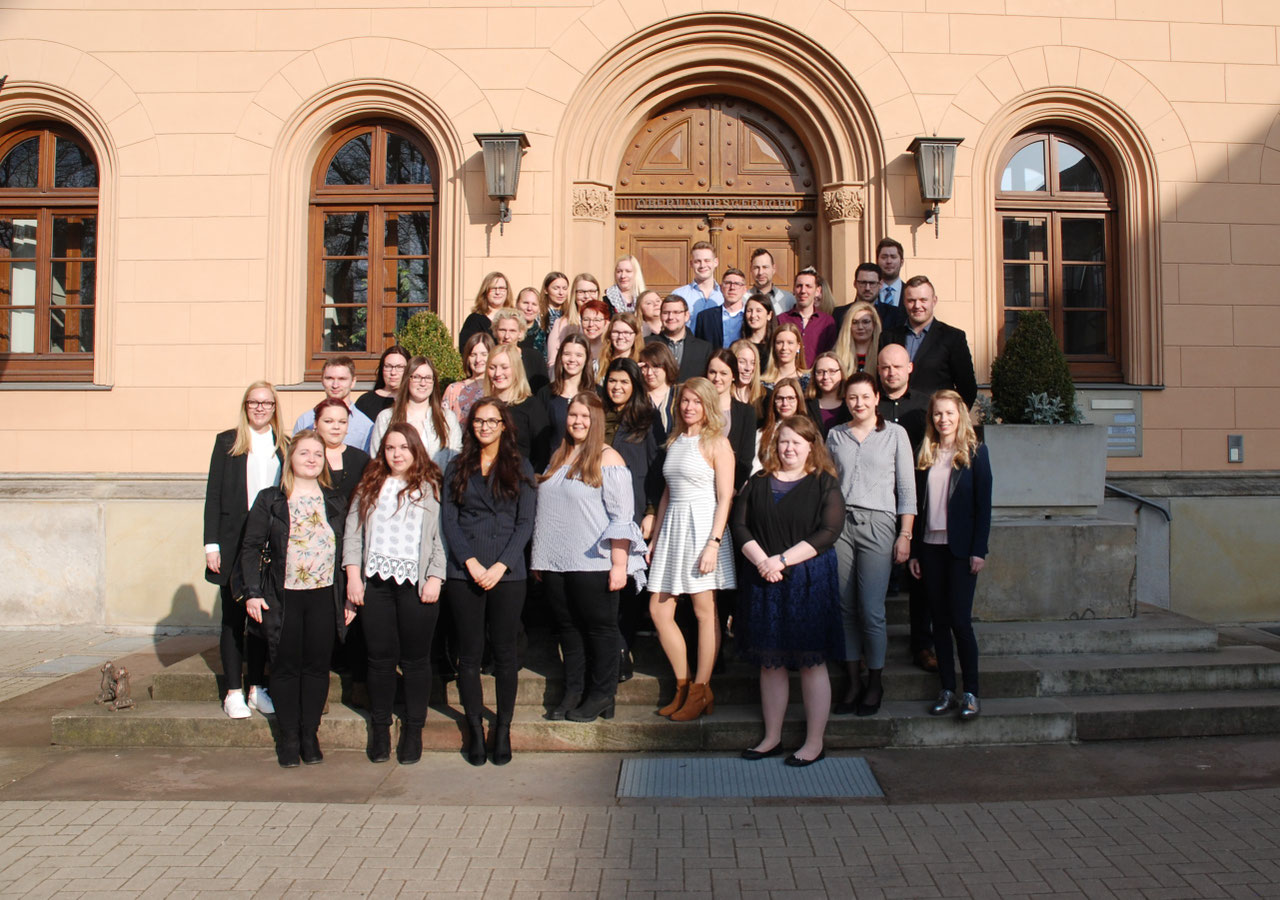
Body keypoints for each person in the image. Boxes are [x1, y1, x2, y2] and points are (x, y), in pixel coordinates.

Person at [733, 416, 844, 766]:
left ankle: (814, 743)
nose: (789, 448)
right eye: (783, 441)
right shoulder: (758, 481)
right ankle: (772, 737)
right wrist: (763, 561)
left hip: (808, 581)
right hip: (764, 580)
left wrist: (780, 560)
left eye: (797, 442)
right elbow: (739, 525)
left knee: (811, 663)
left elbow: (829, 531)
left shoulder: (825, 483)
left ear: (811, 445)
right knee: (771, 662)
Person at [534, 392, 648, 722]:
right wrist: (541, 560)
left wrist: (619, 564)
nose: (578, 422)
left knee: (600, 630)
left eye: (585, 416)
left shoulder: (608, 459)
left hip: (593, 562)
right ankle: (573, 691)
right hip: (556, 561)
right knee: (568, 631)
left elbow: (621, 518)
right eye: (573, 415)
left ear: (596, 421)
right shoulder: (559, 455)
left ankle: (601, 694)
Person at [238, 429, 348, 768]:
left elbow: (348, 551)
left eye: (318, 453)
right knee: (285, 667)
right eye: (304, 453)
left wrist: (348, 599)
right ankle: (287, 736)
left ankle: (309, 734)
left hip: (322, 596)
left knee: (316, 668)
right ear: (291, 458)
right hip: (281, 596)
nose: (312, 459)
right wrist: (252, 593)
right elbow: (250, 547)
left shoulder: (335, 500)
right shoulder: (270, 499)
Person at [343, 424, 446, 765]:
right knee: (380, 661)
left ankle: (414, 729)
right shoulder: (370, 486)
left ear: (416, 450)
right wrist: (353, 578)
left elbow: (442, 537)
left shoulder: (431, 487)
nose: (397, 453)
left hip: (416, 585)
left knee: (416, 661)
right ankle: (381, 727)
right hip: (375, 585)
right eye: (390, 448)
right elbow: (352, 535)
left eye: (404, 447)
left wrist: (435, 576)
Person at [443, 399, 537, 766]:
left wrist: (500, 566)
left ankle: (503, 730)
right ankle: (473, 729)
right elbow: (449, 520)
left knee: (505, 653)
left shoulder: (519, 466)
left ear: (503, 426)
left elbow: (525, 522)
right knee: (468, 655)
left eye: (491, 421)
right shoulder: (456, 466)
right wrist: (469, 561)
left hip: (507, 572)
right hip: (464, 570)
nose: (484, 427)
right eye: (478, 421)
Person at [827, 372, 916, 717]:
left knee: (871, 608)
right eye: (852, 398)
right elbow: (828, 484)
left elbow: (907, 489)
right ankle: (852, 680)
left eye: (865, 397)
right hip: (842, 526)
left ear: (877, 398)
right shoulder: (835, 435)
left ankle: (875, 681)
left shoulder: (895, 434)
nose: (859, 403)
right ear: (845, 401)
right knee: (845, 607)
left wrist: (904, 535)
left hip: (879, 524)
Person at [647, 377, 736, 723]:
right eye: (684, 400)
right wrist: (655, 539)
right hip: (673, 530)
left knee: (704, 612)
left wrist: (713, 543)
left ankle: (700, 689)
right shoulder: (675, 440)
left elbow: (725, 495)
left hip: (703, 530)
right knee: (659, 609)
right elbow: (668, 492)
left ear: (708, 405)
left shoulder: (717, 442)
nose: (688, 407)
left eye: (696, 401)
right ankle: (684, 685)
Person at [909, 390, 992, 720]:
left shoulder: (974, 452)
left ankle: (970, 691)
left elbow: (983, 506)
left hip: (961, 552)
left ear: (960, 416)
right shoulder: (926, 453)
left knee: (960, 621)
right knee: (938, 623)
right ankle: (947, 688)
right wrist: (914, 551)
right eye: (937, 414)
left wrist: (978, 549)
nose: (943, 419)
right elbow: (916, 506)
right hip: (930, 548)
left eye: (949, 413)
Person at [203, 382, 284, 720]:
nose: (260, 408)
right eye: (254, 402)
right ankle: (233, 692)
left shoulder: (285, 445)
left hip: (268, 543)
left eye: (266, 403)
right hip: (234, 541)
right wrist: (212, 544)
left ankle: (256, 687)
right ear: (246, 406)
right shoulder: (227, 442)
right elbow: (214, 495)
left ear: (274, 408)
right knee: (233, 619)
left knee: (262, 619)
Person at [601, 358, 663, 681]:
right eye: (612, 381)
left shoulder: (647, 419)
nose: (617, 387)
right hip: (597, 512)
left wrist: (652, 512)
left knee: (629, 584)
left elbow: (657, 468)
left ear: (635, 385)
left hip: (636, 511)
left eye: (624, 382)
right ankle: (613, 648)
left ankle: (622, 648)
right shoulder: (596, 415)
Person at [876, 342, 934, 674]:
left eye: (897, 366)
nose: (891, 372)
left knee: (920, 578)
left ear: (909, 367)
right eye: (885, 367)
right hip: (880, 502)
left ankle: (922, 645)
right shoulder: (870, 403)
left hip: (920, 501)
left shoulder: (926, 406)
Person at [884, 275, 978, 407]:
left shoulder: (953, 338)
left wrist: (953, 419)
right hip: (896, 418)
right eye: (911, 300)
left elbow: (967, 388)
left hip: (933, 420)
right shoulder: (888, 337)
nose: (917, 306)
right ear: (904, 302)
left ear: (934, 301)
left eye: (923, 300)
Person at [371, 355, 462, 471]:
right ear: (407, 380)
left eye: (428, 378)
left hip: (438, 487)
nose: (423, 383)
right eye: (417, 377)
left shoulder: (448, 418)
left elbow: (455, 460)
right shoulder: (386, 418)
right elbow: (377, 461)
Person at [485, 343, 551, 471]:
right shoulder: (484, 407)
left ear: (516, 369)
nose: (498, 373)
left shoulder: (532, 406)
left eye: (504, 367)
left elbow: (542, 454)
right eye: (492, 367)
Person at [293, 356, 374, 452]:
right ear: (322, 380)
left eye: (342, 379)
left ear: (353, 382)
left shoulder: (366, 426)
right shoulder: (305, 420)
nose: (335, 385)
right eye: (329, 378)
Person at [706, 348, 758, 490]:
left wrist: (732, 490)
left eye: (723, 373)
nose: (717, 378)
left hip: (731, 490)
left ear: (733, 375)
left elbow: (746, 459)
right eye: (712, 372)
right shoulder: (698, 408)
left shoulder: (746, 412)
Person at [537, 332, 592, 451]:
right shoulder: (546, 393)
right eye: (567, 354)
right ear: (560, 357)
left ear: (586, 358)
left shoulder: (596, 393)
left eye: (579, 355)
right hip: (553, 463)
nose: (572, 359)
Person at [315, 397, 371, 502]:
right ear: (316, 423)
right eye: (328, 421)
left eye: (342, 422)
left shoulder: (361, 459)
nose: (336, 427)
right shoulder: (307, 457)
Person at [648, 294, 713, 383]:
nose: (670, 317)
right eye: (666, 313)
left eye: (676, 312)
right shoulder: (647, 344)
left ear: (686, 316)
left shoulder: (704, 349)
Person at [778, 266, 837, 363]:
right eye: (799, 286)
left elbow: (831, 354)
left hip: (817, 375)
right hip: (789, 376)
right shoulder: (782, 320)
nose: (803, 291)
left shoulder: (827, 321)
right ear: (793, 289)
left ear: (817, 291)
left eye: (808, 286)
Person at [756, 375, 807, 472]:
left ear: (798, 400)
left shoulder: (808, 430)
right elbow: (756, 466)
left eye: (790, 398)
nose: (785, 403)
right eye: (780, 398)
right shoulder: (762, 433)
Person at [492, 307, 549, 394]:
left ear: (520, 333)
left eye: (512, 331)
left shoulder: (534, 358)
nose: (507, 336)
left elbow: (544, 391)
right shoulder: (490, 358)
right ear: (495, 331)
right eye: (502, 330)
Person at [546, 272, 598, 366]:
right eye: (581, 292)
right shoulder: (561, 324)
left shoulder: (607, 323)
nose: (587, 296)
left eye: (592, 291)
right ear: (574, 294)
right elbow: (552, 362)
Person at [443, 332, 493, 425]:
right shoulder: (453, 390)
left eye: (483, 354)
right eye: (473, 355)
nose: (478, 360)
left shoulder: (497, 388)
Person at [694, 266, 748, 350]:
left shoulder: (751, 317)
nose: (732, 288)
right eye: (728, 283)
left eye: (737, 284)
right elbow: (699, 350)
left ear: (744, 290)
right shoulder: (705, 317)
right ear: (721, 288)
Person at [458, 271, 511, 353]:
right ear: (485, 291)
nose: (497, 292)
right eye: (493, 288)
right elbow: (466, 349)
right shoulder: (474, 320)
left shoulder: (514, 318)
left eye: (501, 288)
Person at [354, 345, 409, 423]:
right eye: (388, 366)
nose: (393, 372)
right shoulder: (365, 401)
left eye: (399, 367)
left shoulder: (413, 401)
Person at [638, 340, 679, 439]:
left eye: (656, 366)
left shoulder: (679, 394)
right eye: (645, 367)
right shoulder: (637, 395)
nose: (649, 373)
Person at [673, 241, 723, 319]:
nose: (702, 265)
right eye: (697, 261)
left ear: (716, 262)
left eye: (707, 261)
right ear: (691, 264)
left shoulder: (726, 294)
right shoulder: (679, 295)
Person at [805, 352, 851, 438]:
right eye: (820, 372)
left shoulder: (850, 404)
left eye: (832, 371)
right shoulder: (805, 405)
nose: (825, 377)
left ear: (841, 373)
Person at [832, 301, 882, 374]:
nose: (860, 327)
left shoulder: (882, 353)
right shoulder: (836, 356)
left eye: (865, 322)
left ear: (874, 325)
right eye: (854, 322)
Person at [596, 311, 643, 384]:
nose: (620, 337)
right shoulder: (597, 366)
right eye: (616, 332)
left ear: (635, 335)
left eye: (627, 333)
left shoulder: (642, 365)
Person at [761, 322, 809, 391]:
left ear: (798, 346)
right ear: (774, 346)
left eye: (790, 343)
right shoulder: (763, 383)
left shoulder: (808, 381)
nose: (784, 347)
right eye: (779, 342)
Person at [833, 262, 882, 329]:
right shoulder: (839, 314)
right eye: (863, 283)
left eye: (872, 283)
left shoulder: (894, 314)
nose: (867, 288)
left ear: (880, 285)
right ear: (855, 284)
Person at [749, 247, 795, 315]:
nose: (760, 272)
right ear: (751, 270)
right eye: (756, 268)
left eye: (765, 267)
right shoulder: (743, 298)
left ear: (773, 269)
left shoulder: (788, 299)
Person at [876, 238, 908, 332]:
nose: (889, 261)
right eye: (884, 257)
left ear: (902, 262)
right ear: (877, 260)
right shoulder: (869, 291)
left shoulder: (910, 293)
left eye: (893, 257)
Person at [537, 271, 571, 358]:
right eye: (556, 288)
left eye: (564, 288)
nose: (561, 293)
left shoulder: (570, 313)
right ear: (546, 290)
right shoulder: (538, 313)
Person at [730, 338, 766, 415]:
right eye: (742, 362)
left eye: (753, 363)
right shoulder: (723, 397)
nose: (748, 368)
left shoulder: (764, 396)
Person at [577, 299, 611, 375]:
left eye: (597, 320)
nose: (591, 324)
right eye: (586, 320)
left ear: (606, 322)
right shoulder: (576, 349)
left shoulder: (612, 349)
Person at [743, 292, 775, 371]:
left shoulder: (775, 345)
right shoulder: (740, 345)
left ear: (769, 315)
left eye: (758, 310)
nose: (753, 315)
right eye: (749, 311)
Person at [515, 286, 548, 360]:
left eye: (534, 304)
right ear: (517, 304)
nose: (529, 308)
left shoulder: (543, 337)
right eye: (525, 303)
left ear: (539, 308)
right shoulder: (508, 333)